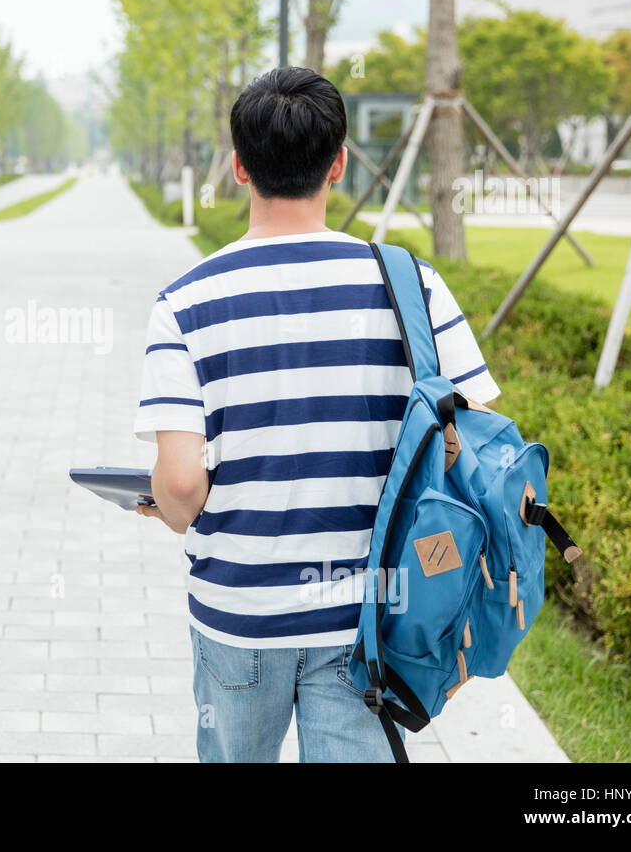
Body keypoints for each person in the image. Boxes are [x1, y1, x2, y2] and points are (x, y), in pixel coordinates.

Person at [132, 67, 499, 762]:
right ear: (338, 165)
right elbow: (473, 439)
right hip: (370, 617)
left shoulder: (184, 302)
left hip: (238, 616)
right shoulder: (412, 283)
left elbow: (181, 487)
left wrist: (170, 508)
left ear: (239, 167)